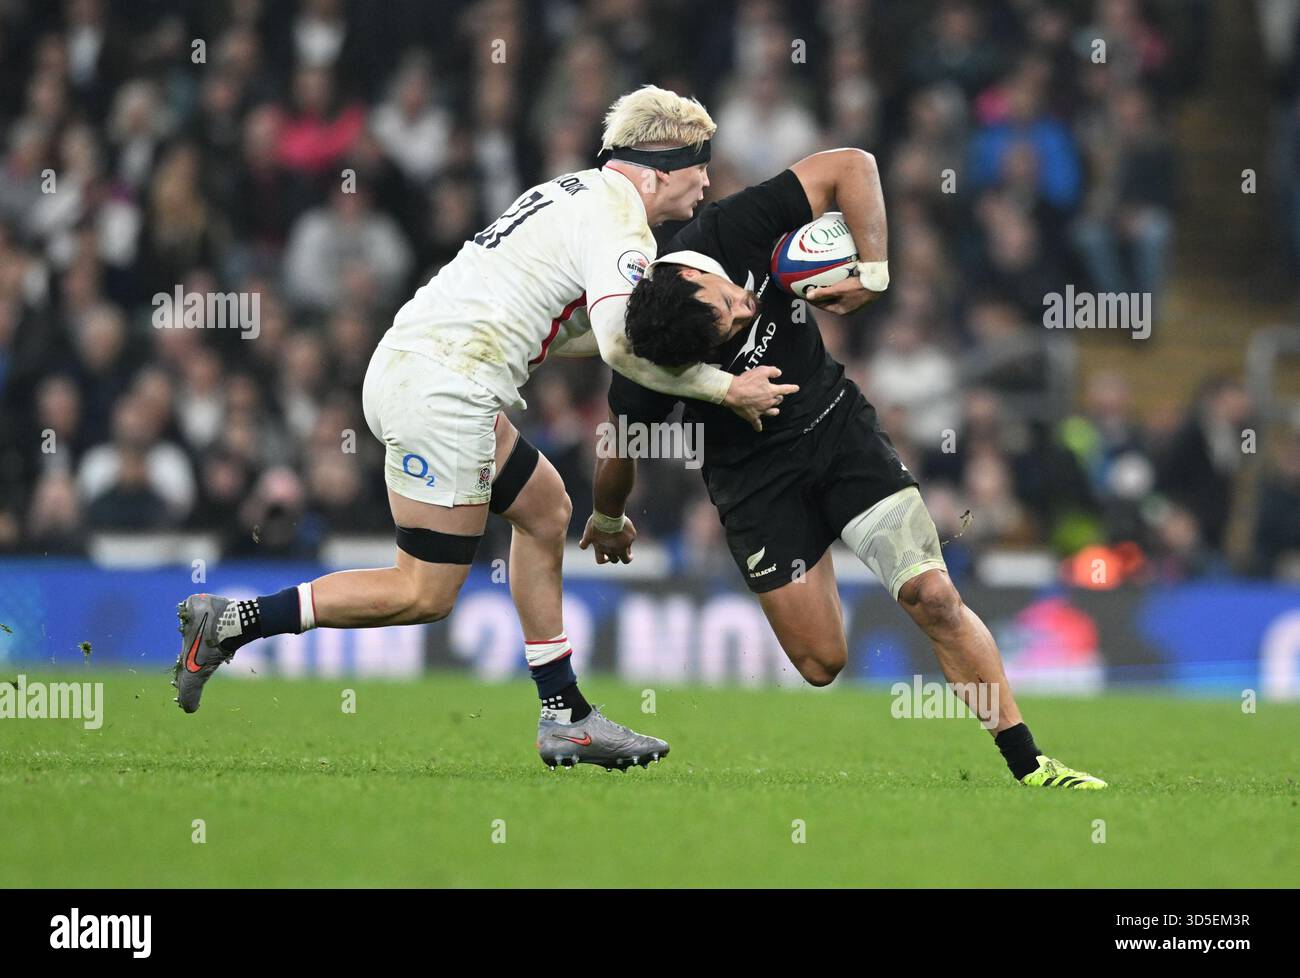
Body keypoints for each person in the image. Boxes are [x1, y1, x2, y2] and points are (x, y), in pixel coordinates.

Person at [173, 86, 794, 772]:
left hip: (420, 367)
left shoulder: (573, 194)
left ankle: (565, 714)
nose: (707, 180)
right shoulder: (621, 227)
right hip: (446, 389)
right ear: (659, 166)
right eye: (698, 163)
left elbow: (564, 331)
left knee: (547, 508)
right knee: (424, 592)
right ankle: (231, 623)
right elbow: (620, 346)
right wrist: (725, 386)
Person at [581, 146, 1107, 788]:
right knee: (821, 661)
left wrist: (875, 274)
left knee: (933, 596)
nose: (746, 310)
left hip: (837, 430)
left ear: (696, 276)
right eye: (727, 331)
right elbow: (620, 446)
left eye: (729, 304)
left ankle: (1029, 763)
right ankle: (816, 541)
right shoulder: (648, 363)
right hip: (753, 482)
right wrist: (608, 517)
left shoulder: (727, 230)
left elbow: (852, 165)